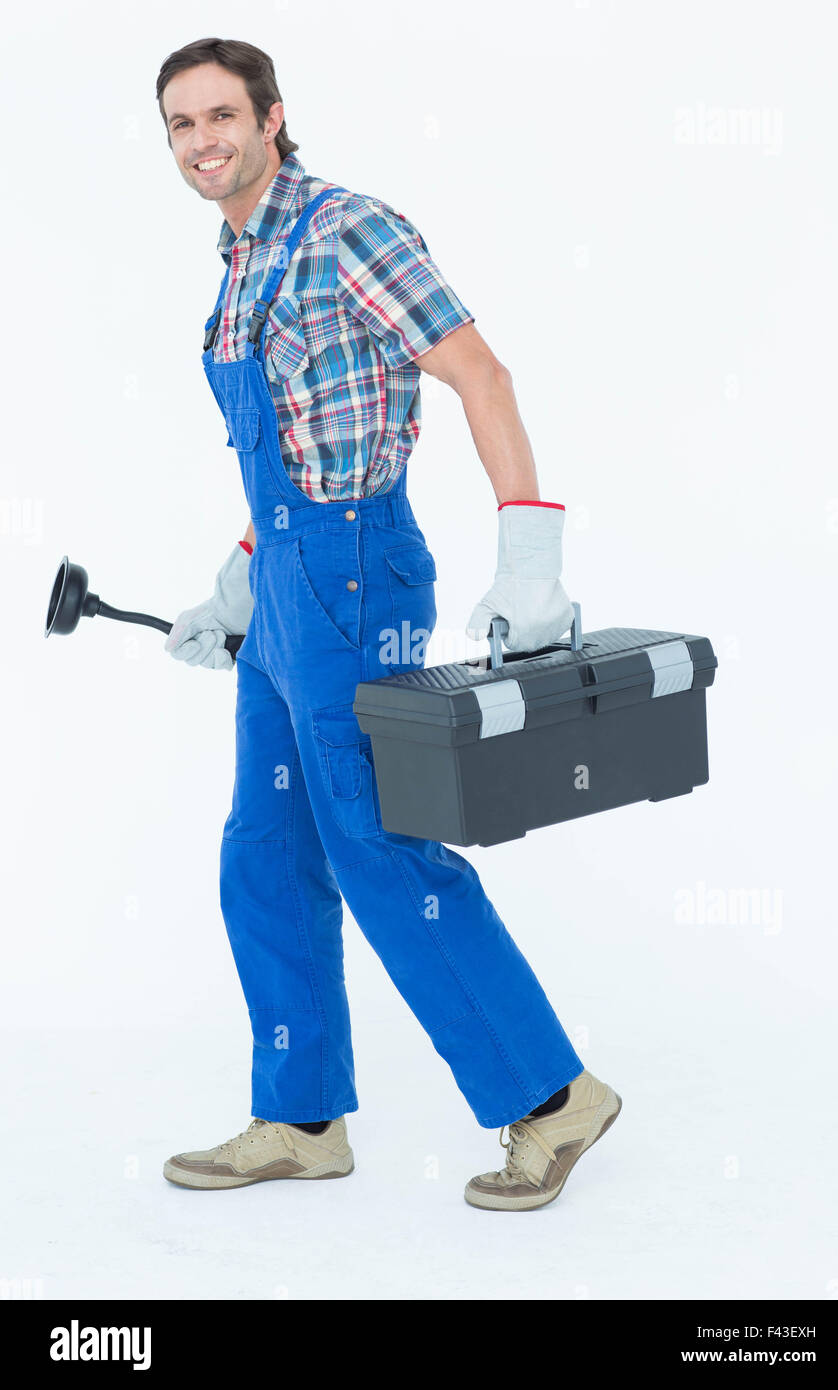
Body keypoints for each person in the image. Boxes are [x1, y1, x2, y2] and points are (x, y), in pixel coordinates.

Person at [156, 37, 621, 1211]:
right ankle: (301, 1114)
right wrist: (240, 577)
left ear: (272, 117)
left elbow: (481, 375)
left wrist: (529, 555)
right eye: (180, 124)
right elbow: (299, 447)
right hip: (291, 579)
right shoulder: (238, 259)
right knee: (262, 849)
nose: (202, 140)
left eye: (221, 115)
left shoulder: (345, 229)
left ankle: (550, 1098)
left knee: (378, 846)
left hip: (358, 577)